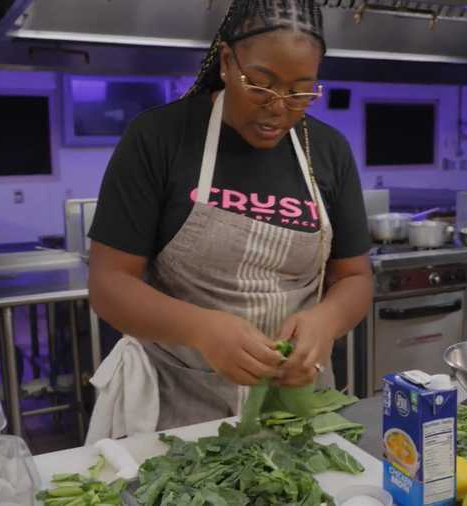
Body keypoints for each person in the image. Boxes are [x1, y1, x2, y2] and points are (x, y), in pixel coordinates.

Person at [87, 0, 372, 430]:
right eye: (260, 85)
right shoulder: (160, 138)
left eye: (300, 92)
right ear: (226, 61)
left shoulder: (329, 151)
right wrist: (201, 330)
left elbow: (354, 277)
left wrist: (325, 322)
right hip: (178, 405)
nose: (278, 109)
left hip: (294, 406)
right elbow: (109, 284)